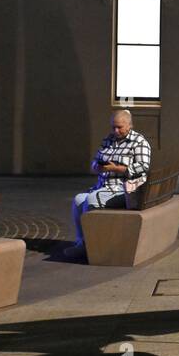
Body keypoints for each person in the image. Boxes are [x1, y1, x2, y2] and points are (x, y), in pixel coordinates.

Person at [64, 110, 152, 260]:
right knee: (79, 200)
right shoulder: (108, 140)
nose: (116, 131)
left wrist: (118, 168)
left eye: (119, 127)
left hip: (123, 190)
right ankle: (81, 242)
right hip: (104, 187)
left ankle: (90, 245)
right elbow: (96, 160)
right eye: (113, 127)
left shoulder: (139, 142)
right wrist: (97, 166)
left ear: (129, 125)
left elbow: (144, 166)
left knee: (91, 199)